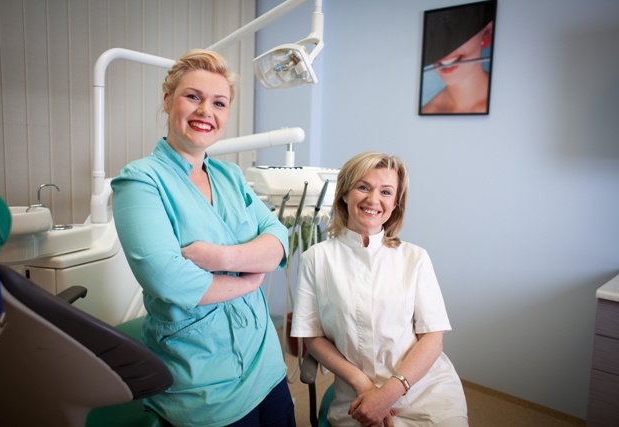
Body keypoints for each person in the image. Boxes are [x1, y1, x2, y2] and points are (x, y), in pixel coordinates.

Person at [111, 49, 295, 427]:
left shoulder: (230, 177)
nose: (205, 111)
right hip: (203, 380)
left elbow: (279, 240)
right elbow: (167, 279)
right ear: (168, 99)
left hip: (265, 361)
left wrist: (217, 258)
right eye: (193, 96)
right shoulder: (141, 180)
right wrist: (250, 280)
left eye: (219, 103)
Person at [291, 152, 468, 427]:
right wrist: (364, 385)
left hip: (425, 389)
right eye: (363, 187)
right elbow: (313, 338)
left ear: (395, 203)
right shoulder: (315, 259)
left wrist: (388, 393)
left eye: (386, 192)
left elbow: (433, 338)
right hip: (356, 394)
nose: (373, 200)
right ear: (345, 194)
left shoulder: (415, 258)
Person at [420, 1, 495, 114]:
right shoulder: (427, 111)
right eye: (434, 35)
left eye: (457, 29)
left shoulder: (509, 102)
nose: (443, 48)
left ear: (487, 31)